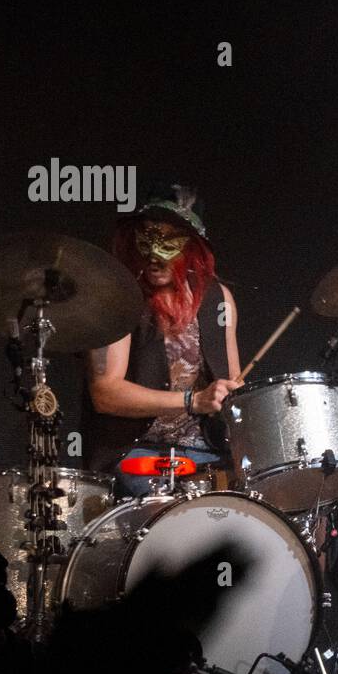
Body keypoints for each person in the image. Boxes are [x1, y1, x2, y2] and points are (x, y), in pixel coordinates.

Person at [82, 183, 242, 496]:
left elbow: (234, 385)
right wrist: (192, 401)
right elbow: (105, 393)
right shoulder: (117, 299)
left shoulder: (219, 300)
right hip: (139, 454)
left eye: (169, 243)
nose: (155, 256)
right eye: (147, 241)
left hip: (209, 455)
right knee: (177, 517)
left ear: (193, 248)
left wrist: (233, 395)